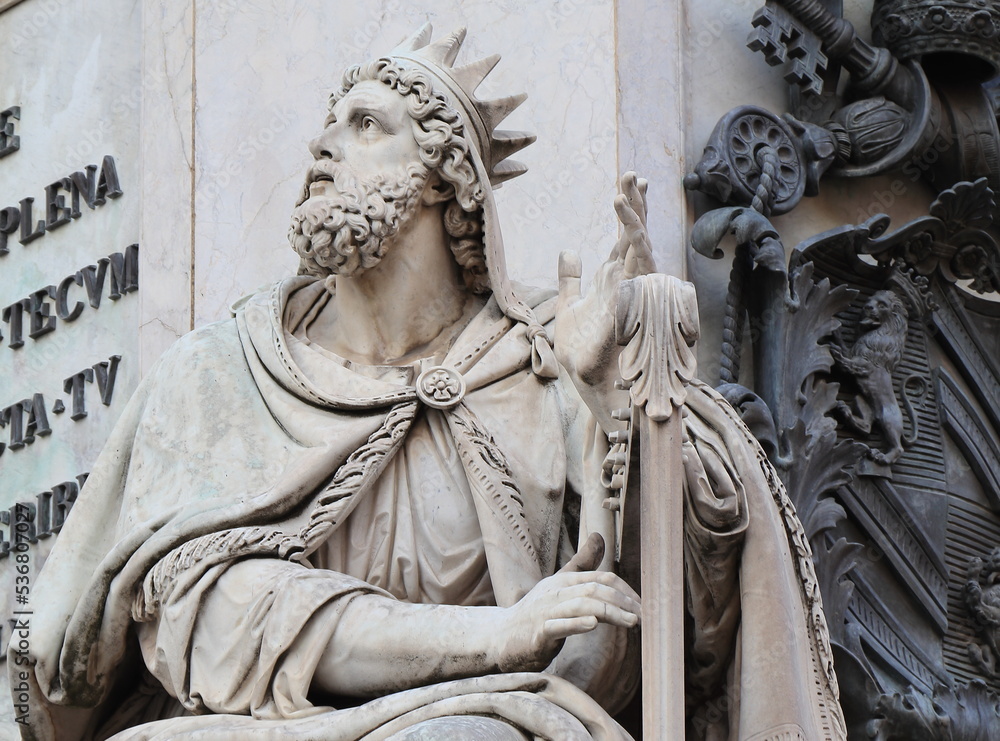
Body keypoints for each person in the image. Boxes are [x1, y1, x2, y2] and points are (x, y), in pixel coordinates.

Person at [16, 25, 846, 741]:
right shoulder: (221, 371)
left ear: (447, 182)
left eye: (365, 123)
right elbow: (212, 616)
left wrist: (626, 409)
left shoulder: (539, 371)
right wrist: (496, 635)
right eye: (327, 124)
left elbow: (654, 617)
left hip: (486, 716)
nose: (323, 146)